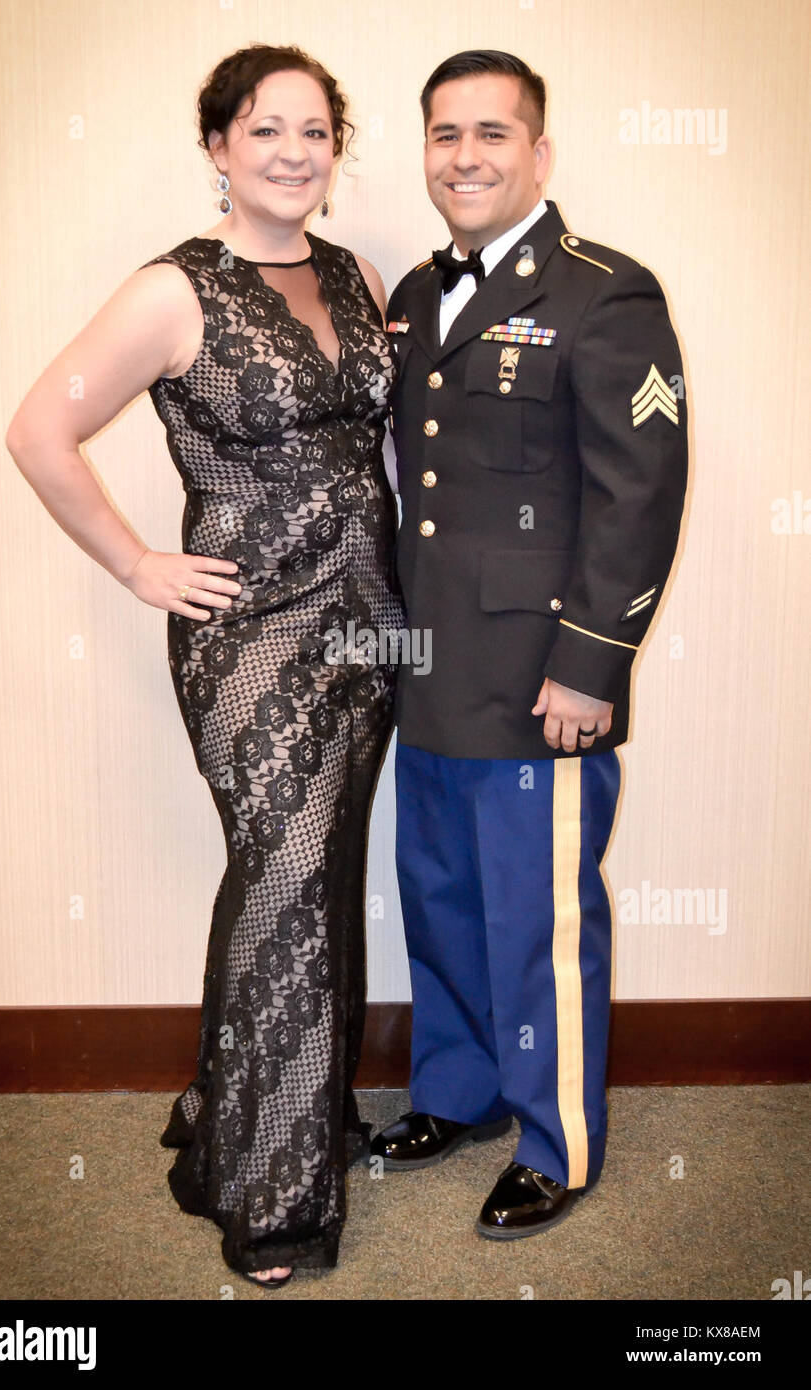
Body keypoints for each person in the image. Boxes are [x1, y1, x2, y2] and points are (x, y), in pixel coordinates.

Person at [5, 43, 404, 1286]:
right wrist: (136, 565)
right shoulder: (173, 291)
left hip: (368, 620)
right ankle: (271, 1194)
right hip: (249, 631)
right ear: (219, 146)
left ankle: (256, 1106)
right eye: (264, 129)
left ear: (335, 152)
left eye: (313, 131)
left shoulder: (352, 272)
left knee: (319, 874)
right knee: (283, 872)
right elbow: (39, 426)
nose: (292, 151)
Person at [371, 50, 688, 1237]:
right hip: (429, 665)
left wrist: (590, 663)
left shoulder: (604, 295)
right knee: (440, 896)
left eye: (491, 135)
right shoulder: (413, 287)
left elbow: (637, 494)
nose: (465, 157)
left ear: (538, 154)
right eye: (444, 135)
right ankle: (457, 1091)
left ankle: (557, 1139)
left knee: (538, 919)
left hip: (541, 680)